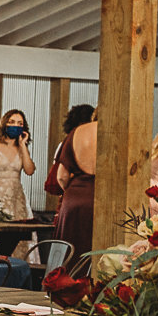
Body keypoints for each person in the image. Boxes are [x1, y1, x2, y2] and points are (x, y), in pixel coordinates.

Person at [54, 106, 97, 261]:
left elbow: (61, 177)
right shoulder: (118, 135)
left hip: (74, 199)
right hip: (102, 200)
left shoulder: (76, 133)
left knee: (68, 255)